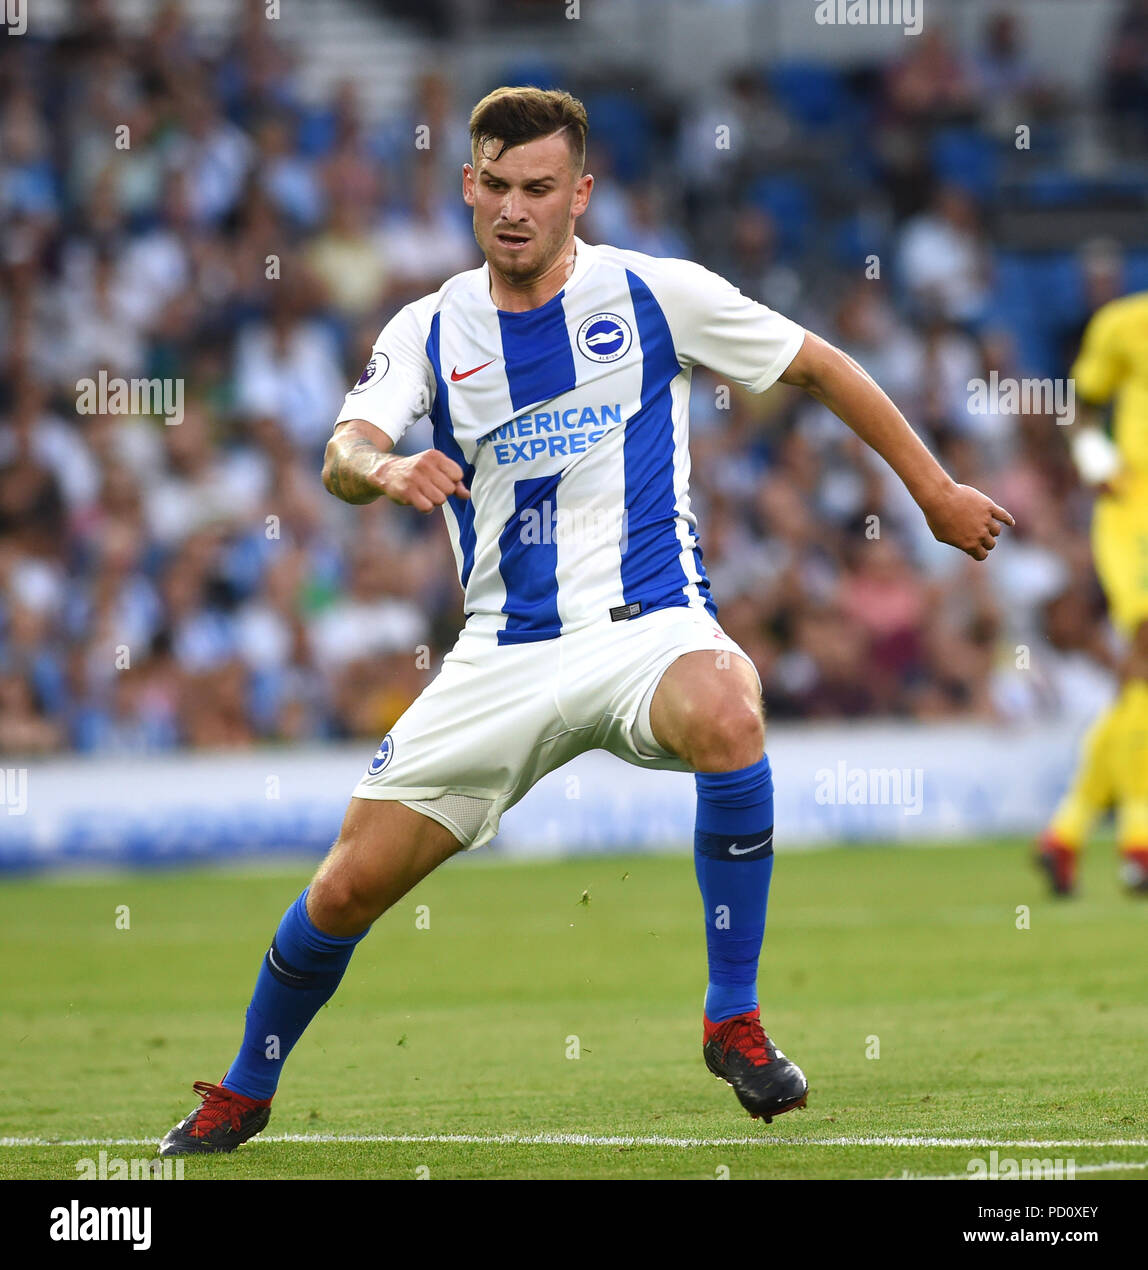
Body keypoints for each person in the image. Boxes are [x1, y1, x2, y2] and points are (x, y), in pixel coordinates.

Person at [159, 87, 1013, 1153]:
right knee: (342, 888)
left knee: (727, 711)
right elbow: (340, 452)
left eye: (539, 188)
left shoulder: (656, 292)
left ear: (580, 194)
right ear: (468, 186)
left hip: (645, 627)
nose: (514, 209)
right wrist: (381, 466)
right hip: (500, 655)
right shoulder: (427, 326)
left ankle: (731, 1018)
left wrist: (931, 493)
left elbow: (817, 365)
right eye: (496, 186)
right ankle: (244, 1088)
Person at [1036, 291, 1148, 895]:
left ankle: (1066, 833)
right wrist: (1091, 455)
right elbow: (1075, 403)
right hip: (1135, 512)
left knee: (1139, 681)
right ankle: (1139, 844)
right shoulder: (1125, 322)